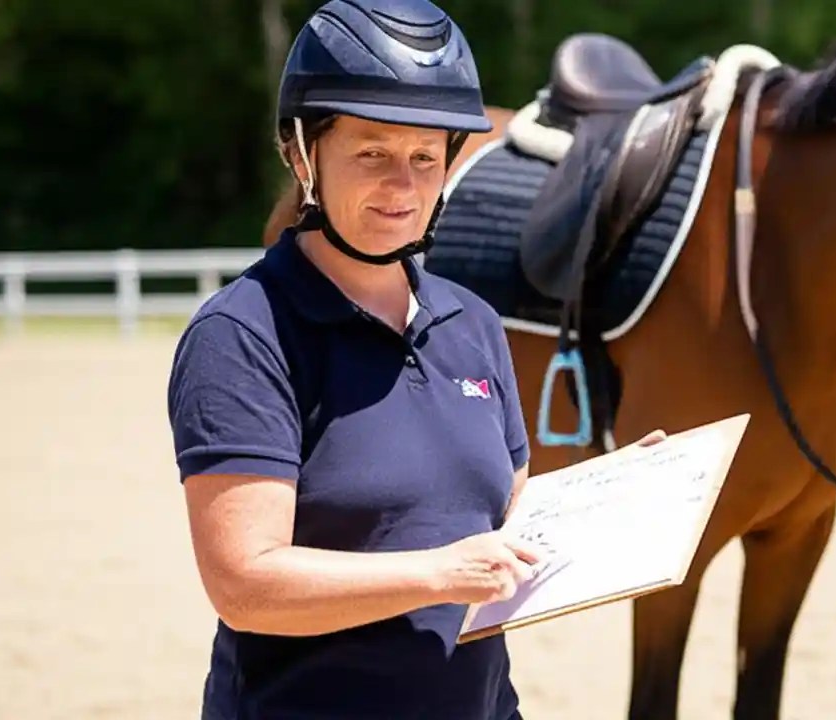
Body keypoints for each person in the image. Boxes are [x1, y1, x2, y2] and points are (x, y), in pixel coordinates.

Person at [165, 2, 663, 718]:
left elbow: (509, 520)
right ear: (302, 154)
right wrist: (439, 575)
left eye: (425, 157)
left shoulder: (473, 323)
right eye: (372, 152)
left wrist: (618, 497)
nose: (403, 186)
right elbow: (245, 585)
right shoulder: (244, 334)